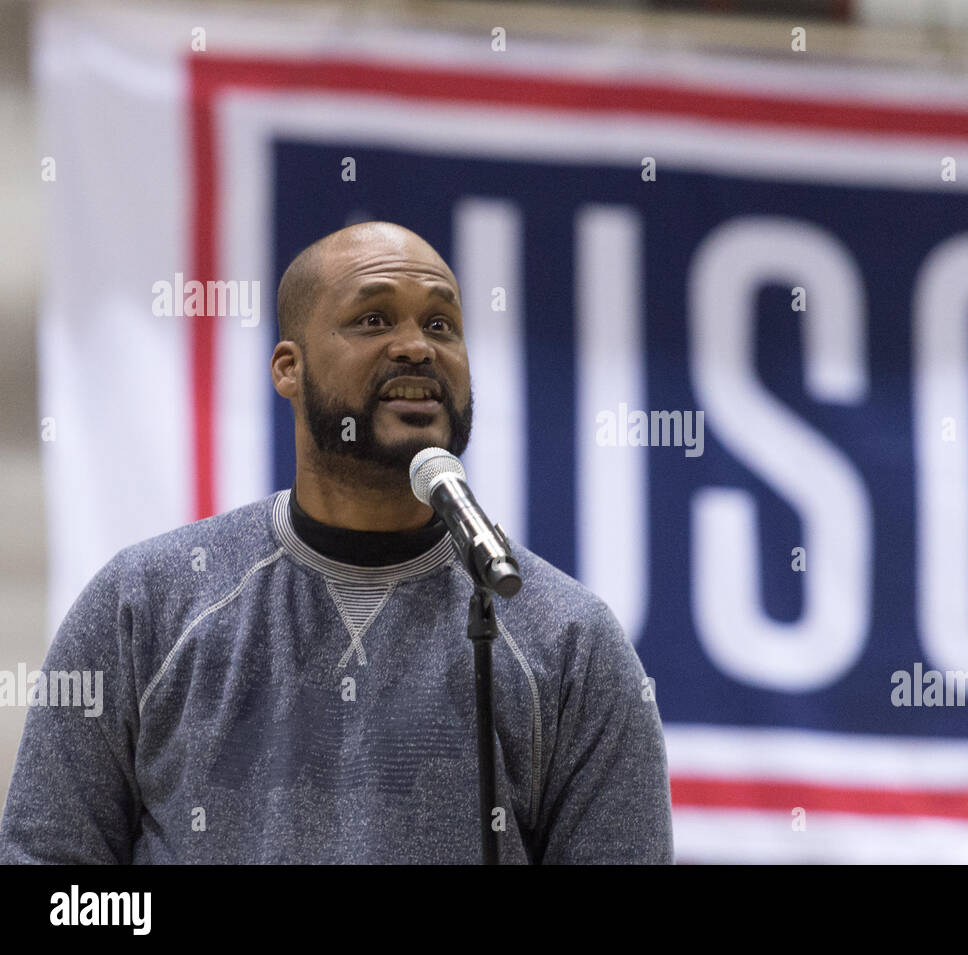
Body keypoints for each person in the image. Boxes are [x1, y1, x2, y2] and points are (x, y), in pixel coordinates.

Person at [0, 221, 674, 864]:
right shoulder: (146, 602)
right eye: (373, 319)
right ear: (288, 369)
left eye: (442, 324)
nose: (417, 346)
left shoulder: (569, 638)